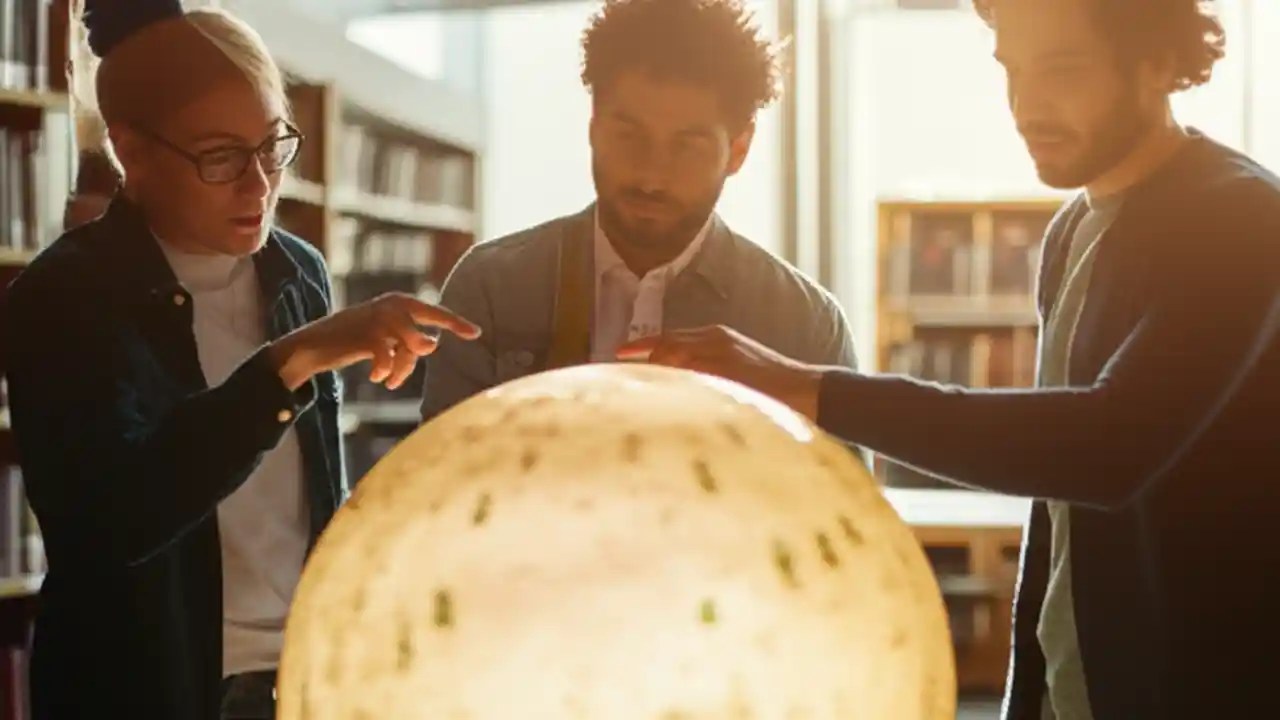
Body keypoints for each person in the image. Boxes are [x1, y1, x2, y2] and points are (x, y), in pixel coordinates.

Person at [620, 1, 1280, 718]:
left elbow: (1107, 448)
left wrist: (803, 386)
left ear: (1155, 61)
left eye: (1061, 69)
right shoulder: (1071, 231)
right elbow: (1059, 516)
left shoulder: (1242, 218)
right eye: (1011, 70)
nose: (1026, 105)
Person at [0, 3, 478, 719]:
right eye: (221, 157)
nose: (259, 187)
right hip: (149, 690)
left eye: (271, 147)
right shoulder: (63, 295)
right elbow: (110, 524)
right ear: (130, 150)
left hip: (300, 672)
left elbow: (295, 495)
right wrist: (289, 362)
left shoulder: (297, 269)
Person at [420, 0, 856, 423]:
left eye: (687, 146)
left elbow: (843, 497)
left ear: (738, 150)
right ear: (593, 124)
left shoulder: (807, 325)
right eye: (628, 135)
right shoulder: (490, 289)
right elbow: (436, 484)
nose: (651, 174)